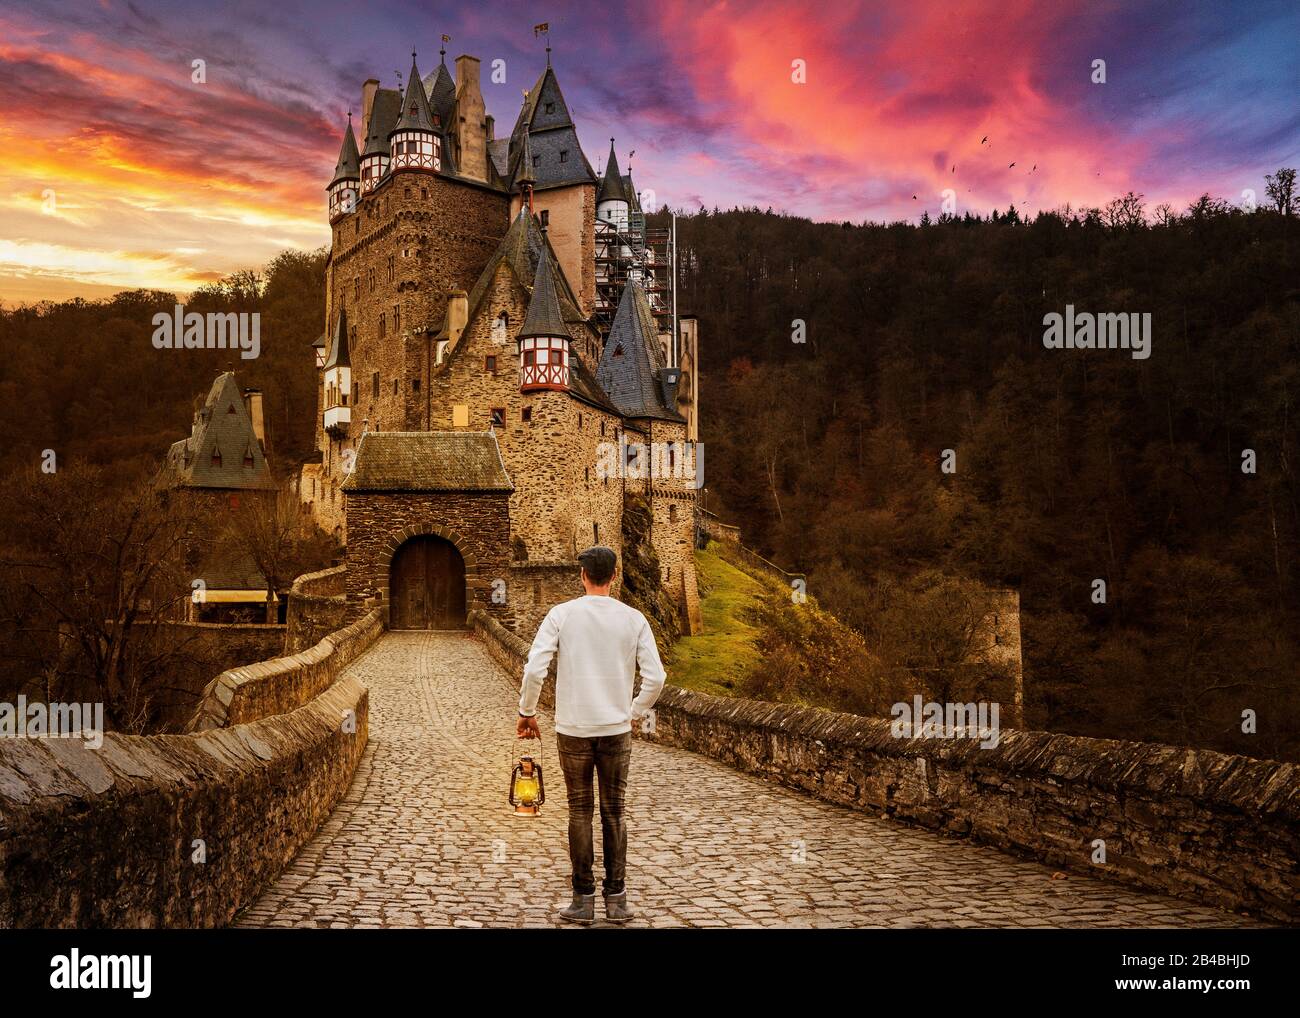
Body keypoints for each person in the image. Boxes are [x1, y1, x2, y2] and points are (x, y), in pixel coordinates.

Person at [516, 545, 666, 924]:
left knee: (580, 812)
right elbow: (657, 678)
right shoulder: (634, 619)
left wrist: (527, 712)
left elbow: (535, 669)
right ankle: (616, 898)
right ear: (614, 577)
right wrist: (633, 713)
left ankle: (582, 900)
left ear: (582, 576)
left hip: (574, 728)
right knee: (614, 812)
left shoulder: (561, 615)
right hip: (616, 730)